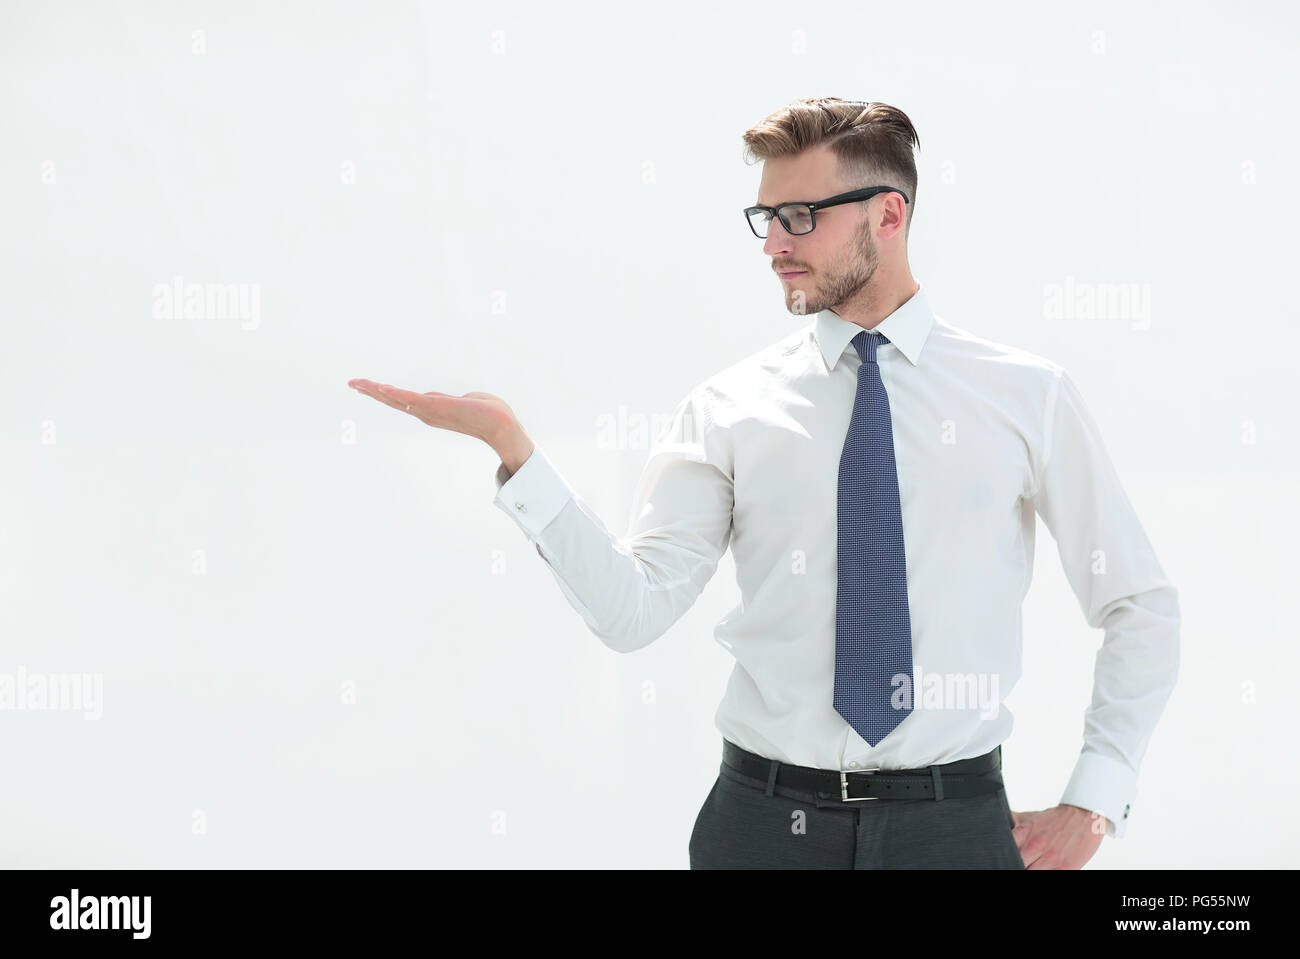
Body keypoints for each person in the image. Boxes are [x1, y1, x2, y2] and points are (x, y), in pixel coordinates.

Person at [348, 97, 1180, 870]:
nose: (775, 243)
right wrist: (517, 454)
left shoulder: (1026, 396)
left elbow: (1138, 601)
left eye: (799, 217)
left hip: (952, 828)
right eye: (766, 218)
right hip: (762, 828)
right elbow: (633, 610)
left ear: (888, 215)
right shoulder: (728, 407)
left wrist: (1094, 800)